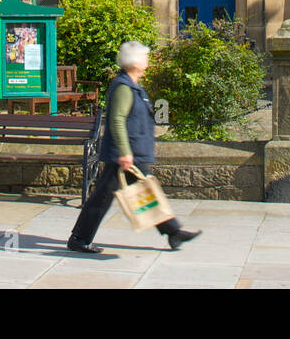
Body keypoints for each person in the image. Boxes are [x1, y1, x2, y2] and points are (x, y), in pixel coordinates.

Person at [68, 41, 201, 253]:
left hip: (132, 151)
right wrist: (125, 151)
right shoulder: (123, 87)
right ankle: (79, 239)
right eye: (145, 57)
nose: (148, 61)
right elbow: (117, 120)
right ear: (135, 62)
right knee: (103, 198)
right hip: (123, 154)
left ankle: (173, 231)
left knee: (145, 193)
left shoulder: (133, 85)